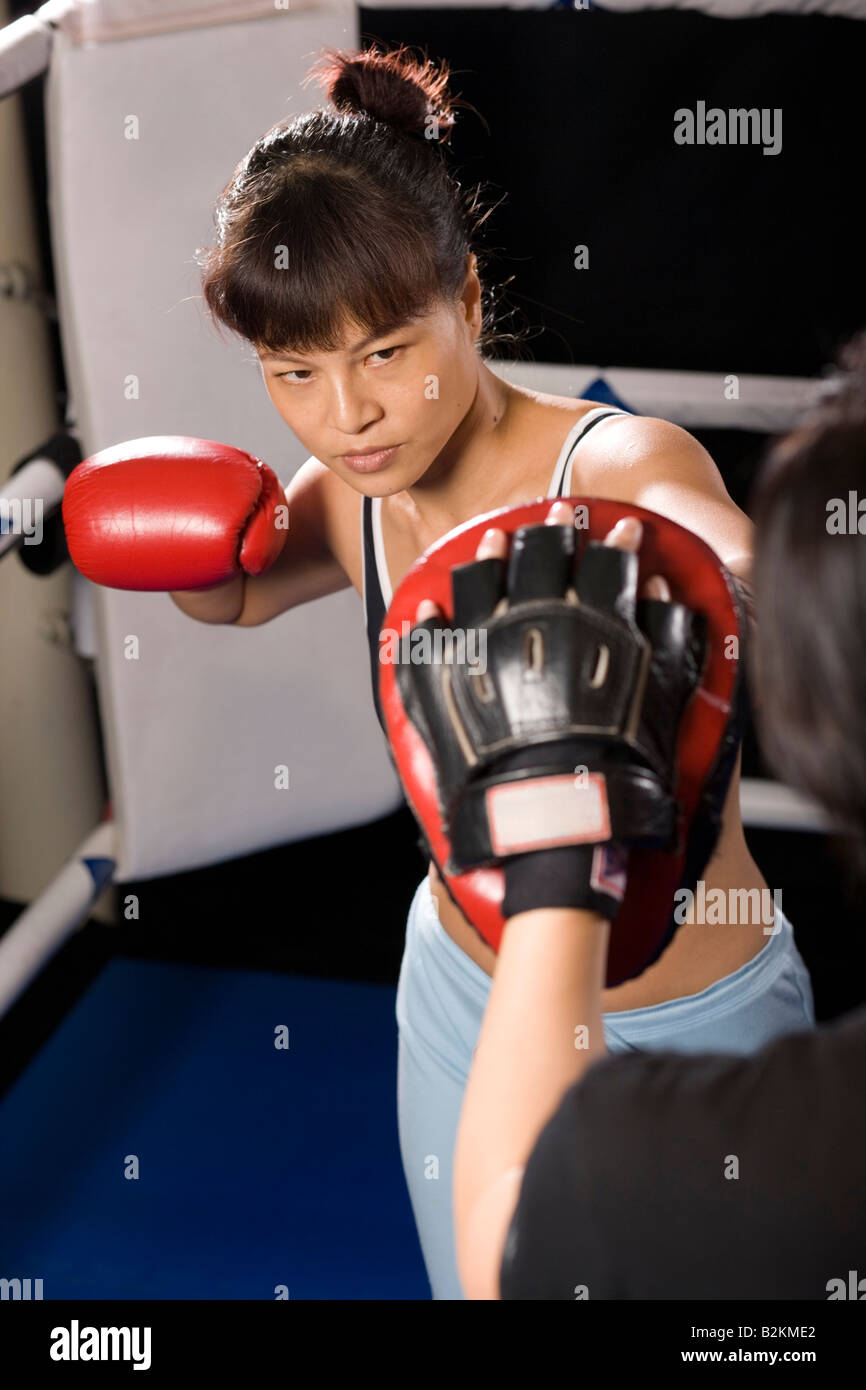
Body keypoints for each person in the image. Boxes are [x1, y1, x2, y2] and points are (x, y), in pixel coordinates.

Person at [66, 42, 815, 1300]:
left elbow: (756, 583)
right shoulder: (349, 492)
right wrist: (195, 548)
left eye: (383, 353)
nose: (348, 413)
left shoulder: (618, 466)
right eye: (293, 374)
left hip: (682, 1014)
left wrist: (714, 585)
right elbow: (243, 589)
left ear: (467, 306)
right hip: (463, 986)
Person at [432, 331, 866, 1300]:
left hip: (658, 999)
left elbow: (507, 1242)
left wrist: (554, 817)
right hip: (451, 973)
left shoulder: (798, 1145)